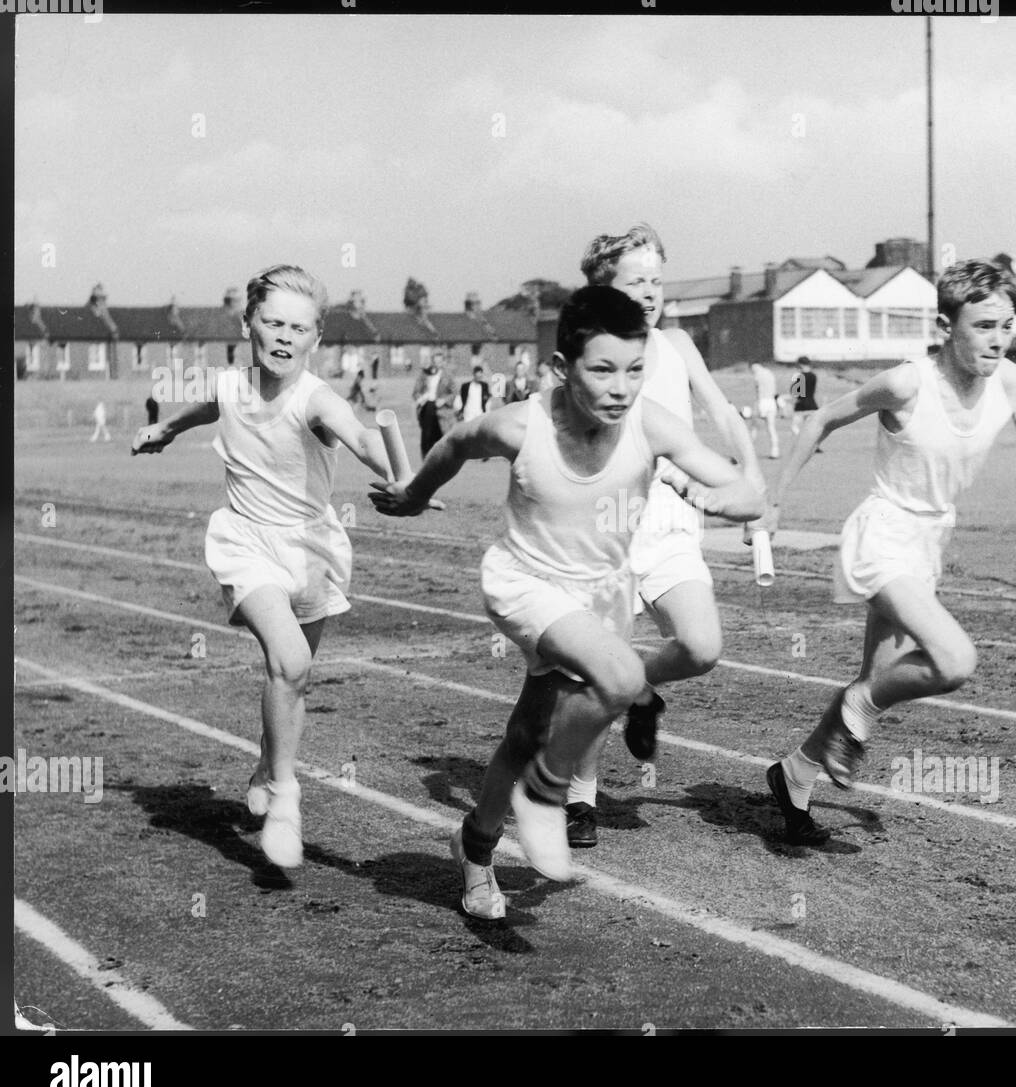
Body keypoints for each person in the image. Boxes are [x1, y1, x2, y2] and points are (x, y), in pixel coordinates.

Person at [369, 287, 762, 917]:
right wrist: (414, 494)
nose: (621, 387)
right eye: (602, 369)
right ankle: (547, 796)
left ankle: (474, 847)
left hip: (599, 593)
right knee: (624, 674)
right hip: (525, 582)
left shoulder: (651, 424)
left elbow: (743, 489)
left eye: (635, 370)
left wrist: (716, 499)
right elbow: (454, 445)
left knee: (527, 732)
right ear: (561, 369)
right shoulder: (518, 424)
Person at [757, 259, 1016, 845]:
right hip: (883, 533)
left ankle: (795, 773)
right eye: (984, 325)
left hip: (928, 544)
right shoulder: (906, 383)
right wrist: (773, 505)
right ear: (946, 324)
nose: (998, 339)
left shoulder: (1012, 382)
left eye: (1007, 326)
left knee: (876, 678)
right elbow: (820, 421)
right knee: (953, 660)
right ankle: (858, 709)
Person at [132, 264, 391, 868]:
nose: (283, 336)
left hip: (312, 551)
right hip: (246, 542)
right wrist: (164, 430)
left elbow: (362, 436)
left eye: (299, 328)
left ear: (316, 339)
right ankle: (286, 798)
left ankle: (266, 765)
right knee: (291, 660)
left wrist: (406, 477)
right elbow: (202, 409)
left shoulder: (316, 399)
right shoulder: (231, 385)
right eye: (272, 322)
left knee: (291, 677)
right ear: (248, 323)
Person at [564, 222, 767, 848]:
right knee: (602, 668)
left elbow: (722, 410)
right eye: (635, 281)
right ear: (606, 288)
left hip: (675, 526)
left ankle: (642, 690)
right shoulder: (592, 352)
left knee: (702, 647)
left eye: (656, 279)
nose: (649, 292)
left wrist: (751, 477)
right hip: (609, 530)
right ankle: (580, 798)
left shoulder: (678, 343)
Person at [413, 357, 449, 458]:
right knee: (426, 434)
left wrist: (444, 400)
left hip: (441, 409)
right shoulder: (423, 375)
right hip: (427, 407)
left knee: (441, 433)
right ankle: (426, 457)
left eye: (439, 362)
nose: (437, 364)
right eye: (435, 362)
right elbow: (415, 392)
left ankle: (441, 457)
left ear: (442, 363)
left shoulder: (447, 376)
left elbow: (454, 391)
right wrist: (421, 398)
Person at [750, 361, 781, 458]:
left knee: (754, 427)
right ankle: (775, 450)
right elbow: (774, 391)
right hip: (771, 402)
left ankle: (748, 450)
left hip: (762, 402)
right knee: (771, 428)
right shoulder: (770, 374)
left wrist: (757, 406)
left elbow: (758, 391)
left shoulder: (757, 375)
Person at [790, 355, 820, 436]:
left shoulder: (798, 376)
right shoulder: (813, 376)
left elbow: (796, 393)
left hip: (801, 405)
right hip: (812, 405)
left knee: (794, 427)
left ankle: (802, 442)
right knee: (809, 428)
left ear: (800, 364)